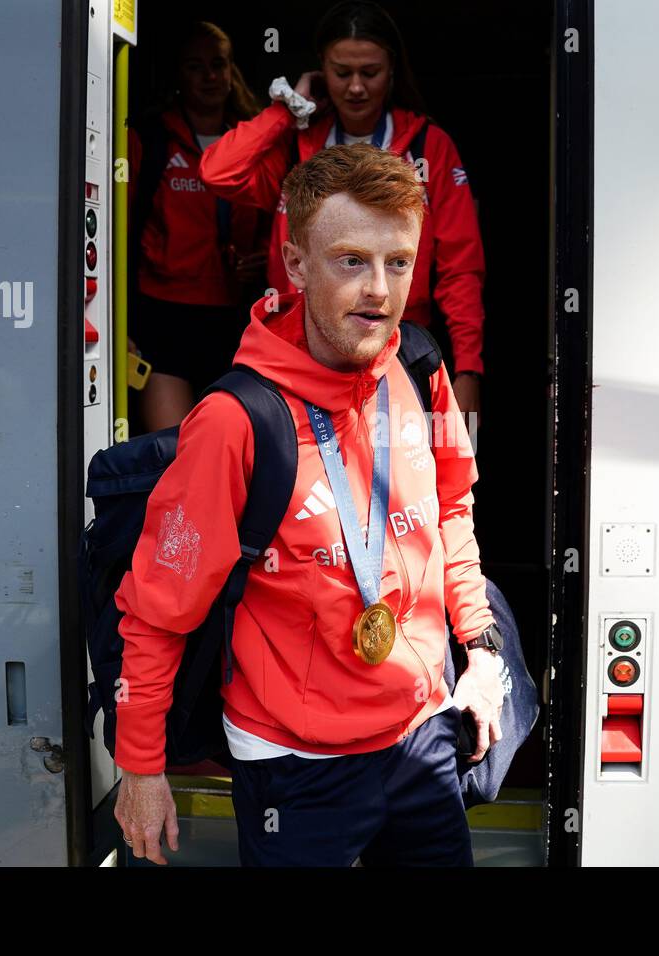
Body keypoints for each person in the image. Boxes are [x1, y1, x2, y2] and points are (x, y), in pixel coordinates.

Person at [112, 144, 506, 867]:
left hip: (422, 733)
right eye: (350, 260)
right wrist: (140, 767)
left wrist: (480, 652)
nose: (378, 291)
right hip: (294, 763)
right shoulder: (236, 421)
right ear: (295, 266)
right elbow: (158, 609)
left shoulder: (420, 367)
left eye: (397, 262)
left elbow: (453, 510)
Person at [198, 0, 486, 432]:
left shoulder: (430, 145)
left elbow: (461, 267)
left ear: (392, 72)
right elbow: (218, 171)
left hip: (399, 346)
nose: (355, 87)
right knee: (310, 485)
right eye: (341, 72)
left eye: (369, 73)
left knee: (411, 481)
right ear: (321, 72)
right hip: (298, 349)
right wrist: (286, 109)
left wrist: (467, 371)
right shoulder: (296, 143)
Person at [126, 22, 271, 432]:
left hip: (233, 316)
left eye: (218, 64)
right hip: (161, 315)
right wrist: (121, 324)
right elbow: (116, 231)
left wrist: (262, 260)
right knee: (172, 452)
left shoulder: (253, 142)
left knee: (227, 448)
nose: (209, 76)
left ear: (231, 71)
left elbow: (278, 217)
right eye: (195, 66)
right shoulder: (150, 140)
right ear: (178, 74)